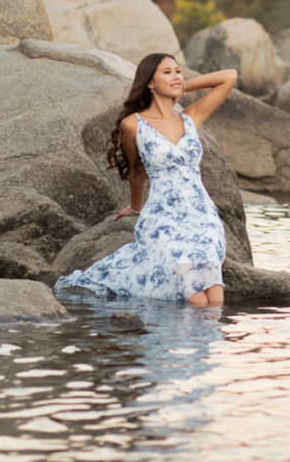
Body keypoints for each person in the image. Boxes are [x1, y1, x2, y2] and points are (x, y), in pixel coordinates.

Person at [56, 53, 238, 307]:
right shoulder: (133, 125)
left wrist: (182, 86)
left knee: (215, 293)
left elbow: (229, 76)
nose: (175, 75)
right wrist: (135, 207)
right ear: (150, 83)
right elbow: (136, 170)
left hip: (201, 216)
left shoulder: (191, 118)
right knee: (196, 297)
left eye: (178, 71)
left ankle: (205, 334)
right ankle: (181, 332)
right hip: (163, 218)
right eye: (167, 72)